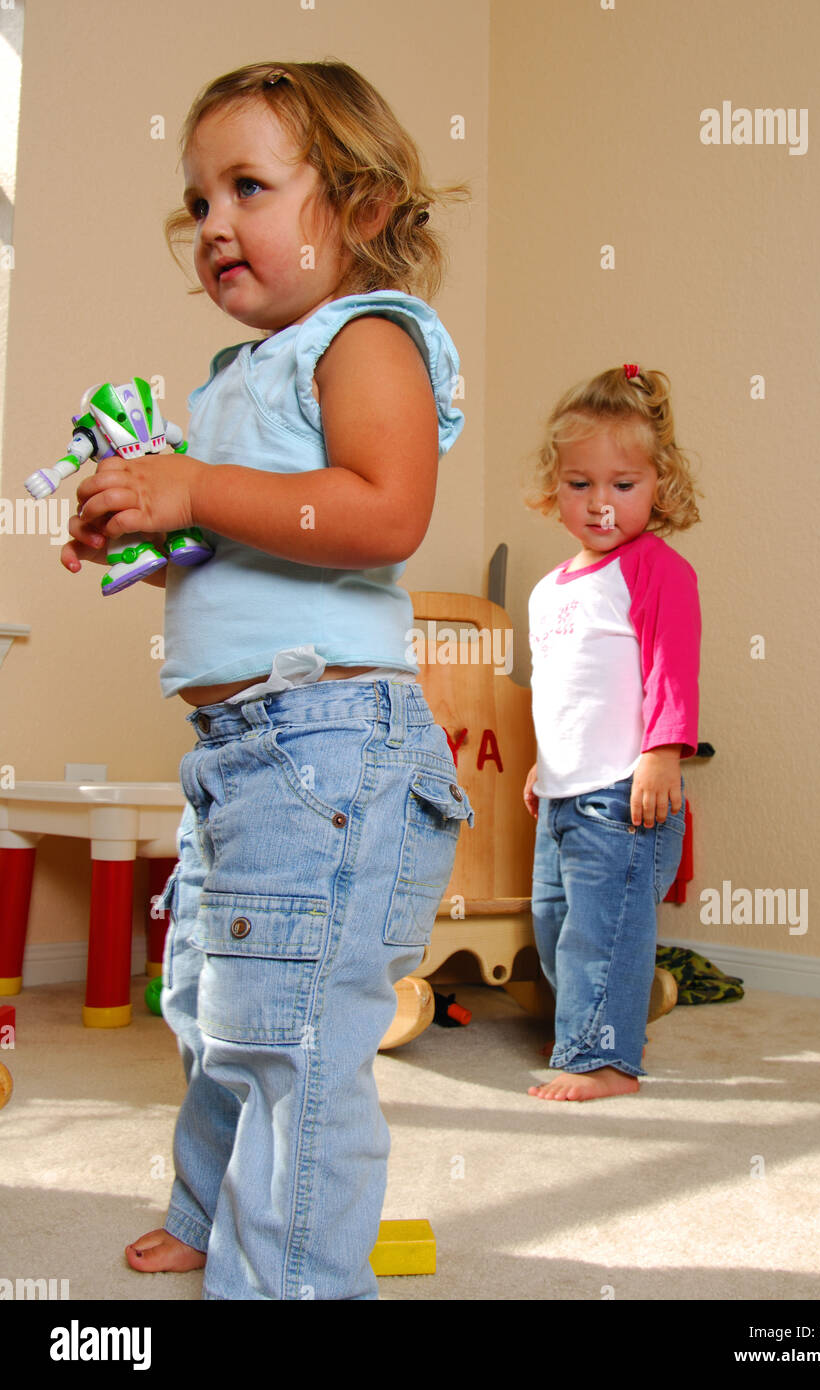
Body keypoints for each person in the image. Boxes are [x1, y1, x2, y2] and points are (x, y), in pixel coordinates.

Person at [61, 59, 473, 1300]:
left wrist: (197, 489)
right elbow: (250, 533)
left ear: (353, 205)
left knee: (287, 1032)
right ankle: (204, 1210)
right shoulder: (241, 373)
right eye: (198, 201)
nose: (215, 224)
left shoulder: (366, 339)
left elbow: (383, 510)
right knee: (210, 1002)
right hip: (244, 758)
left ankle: (291, 1278)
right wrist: (150, 526)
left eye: (248, 185)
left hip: (327, 748)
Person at [522, 365, 701, 1101]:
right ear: (552, 486)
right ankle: (592, 1026)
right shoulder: (550, 587)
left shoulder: (657, 570)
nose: (599, 504)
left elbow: (670, 670)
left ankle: (603, 1058)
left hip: (621, 795)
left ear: (659, 484)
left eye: (622, 485)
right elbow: (561, 691)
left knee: (605, 931)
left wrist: (661, 755)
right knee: (556, 925)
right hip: (564, 795)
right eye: (578, 484)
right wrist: (541, 763)